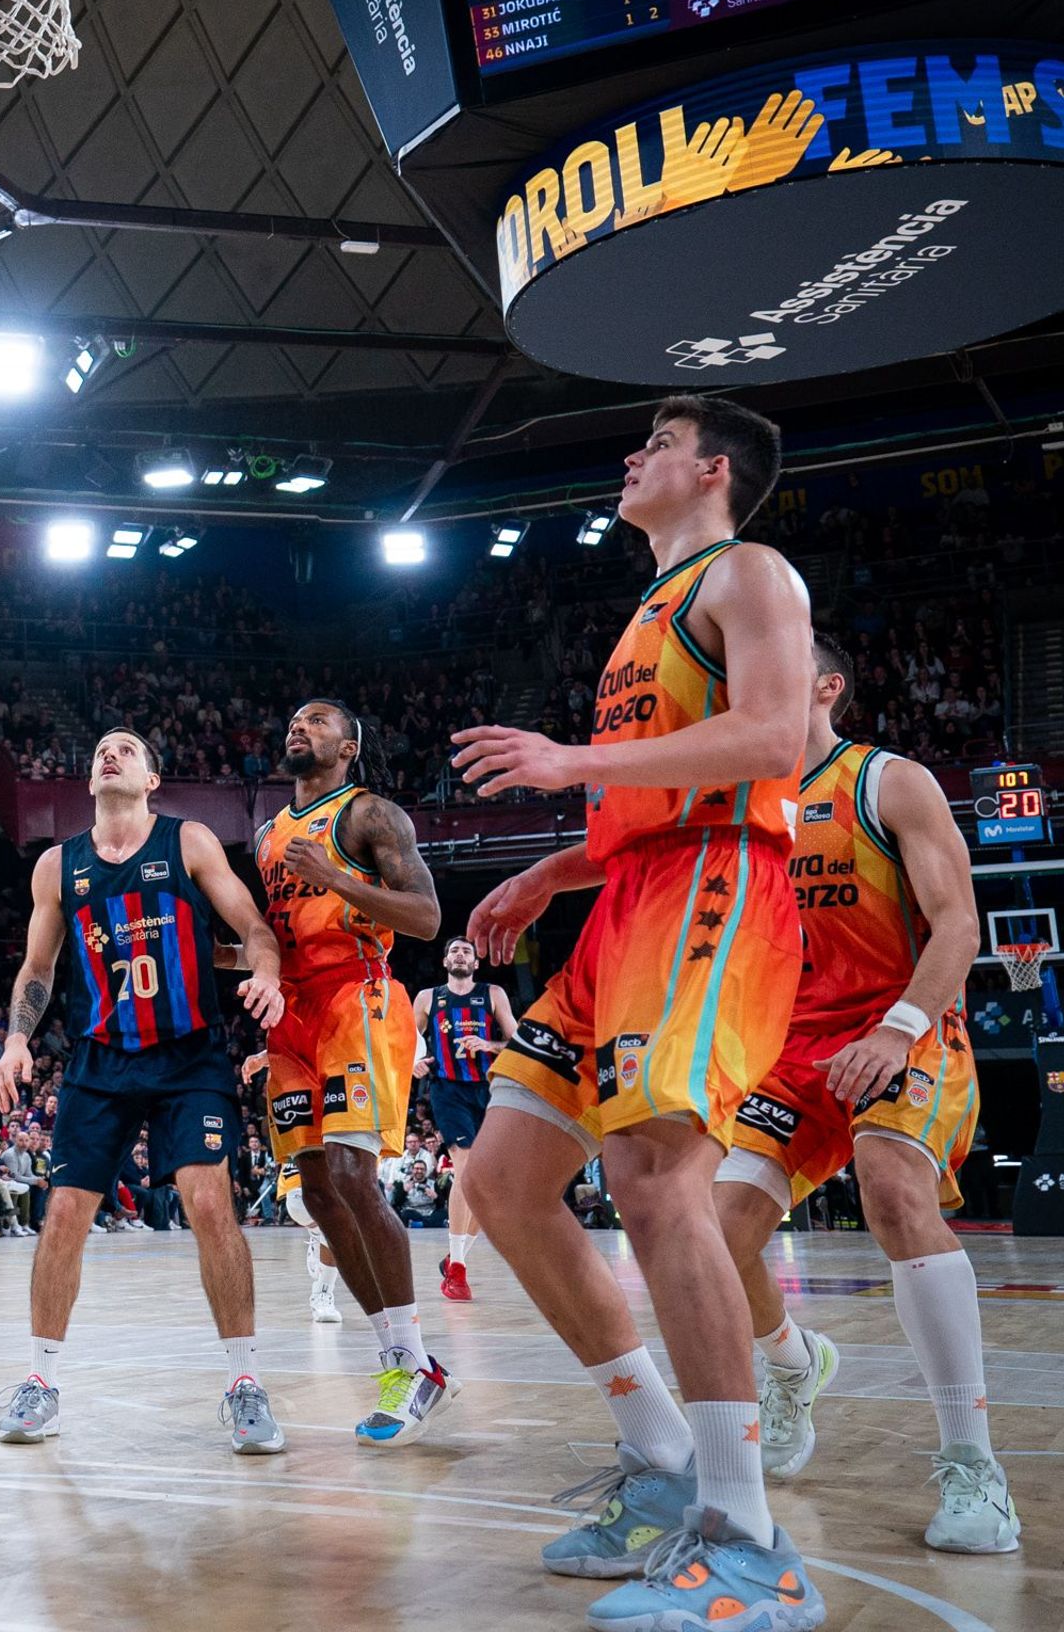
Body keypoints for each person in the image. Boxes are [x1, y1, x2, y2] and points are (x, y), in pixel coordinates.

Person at [456, 395, 822, 1627]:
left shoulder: (749, 570)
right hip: (623, 901)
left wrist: (567, 763)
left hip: (716, 887)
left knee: (656, 1178)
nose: (631, 455)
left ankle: (744, 1536)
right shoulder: (646, 612)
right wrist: (552, 866)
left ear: (712, 469)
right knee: (501, 1179)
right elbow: (645, 793)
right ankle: (663, 1459)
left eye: (656, 442)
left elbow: (772, 737)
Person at [707, 637, 1016, 1552]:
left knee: (890, 1190)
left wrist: (897, 1030)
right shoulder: (740, 805)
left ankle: (975, 1468)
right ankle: (793, 1366)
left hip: (902, 1028)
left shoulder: (889, 782)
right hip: (790, 1050)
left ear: (828, 686)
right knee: (712, 1235)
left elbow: (960, 924)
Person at [0, 728, 284, 1453]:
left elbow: (251, 925)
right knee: (62, 1215)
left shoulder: (190, 843)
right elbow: (37, 966)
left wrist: (267, 971)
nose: (108, 755)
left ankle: (245, 1385)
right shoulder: (58, 866)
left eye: (125, 749)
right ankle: (40, 1383)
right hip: (101, 1061)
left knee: (211, 1204)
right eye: (100, 751)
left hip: (188, 1055)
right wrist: (18, 1039)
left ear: (153, 778)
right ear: (90, 780)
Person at [253, 697, 449, 1445]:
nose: (300, 726)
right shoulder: (270, 835)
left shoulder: (370, 816)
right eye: (294, 718)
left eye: (320, 721)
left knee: (352, 1174)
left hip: (357, 995)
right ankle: (405, 1359)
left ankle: (409, 1362)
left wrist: (335, 878)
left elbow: (426, 917)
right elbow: (268, 936)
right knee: (315, 1191)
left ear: (350, 747)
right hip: (292, 1013)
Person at [414, 937, 518, 1301]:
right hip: (448, 1090)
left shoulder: (492, 994)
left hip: (488, 1090)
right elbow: (409, 1040)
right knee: (467, 1169)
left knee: (488, 1185)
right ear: (445, 961)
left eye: (467, 952)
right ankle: (457, 1271)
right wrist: (414, 1060)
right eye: (455, 951)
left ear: (476, 963)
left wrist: (489, 1045)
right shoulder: (428, 997)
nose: (460, 955)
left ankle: (454, 1259)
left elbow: (516, 1041)